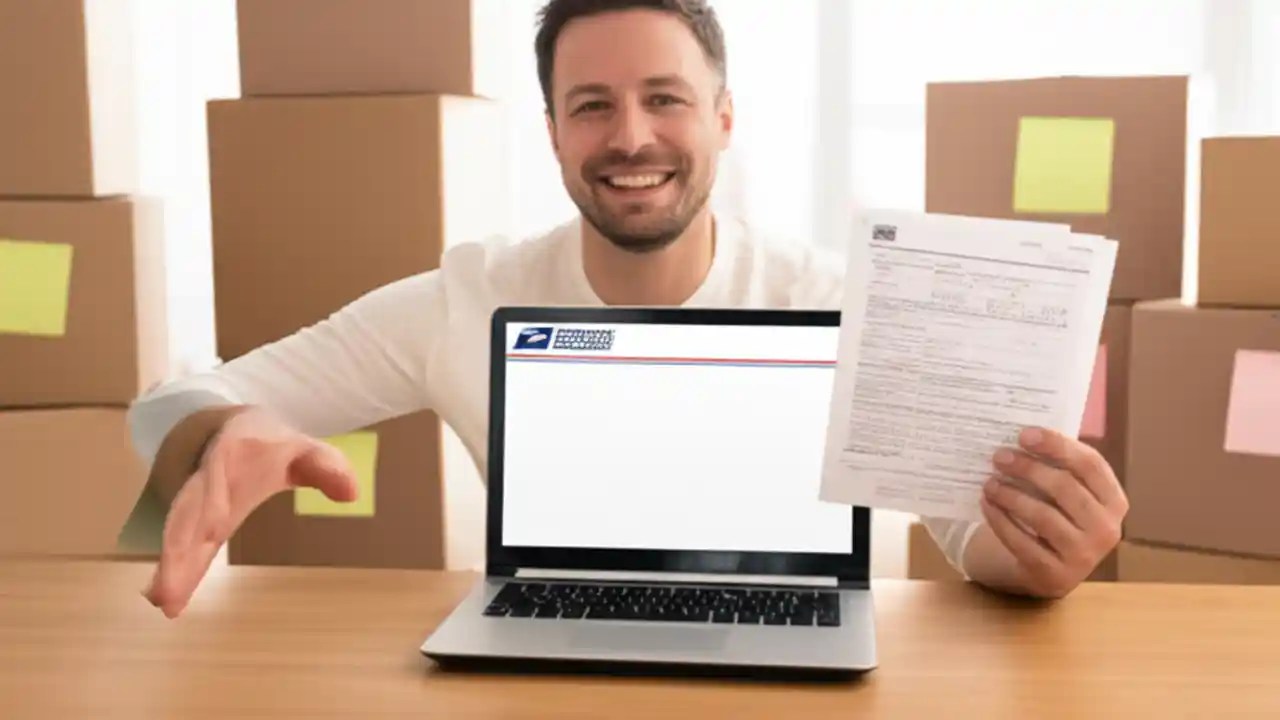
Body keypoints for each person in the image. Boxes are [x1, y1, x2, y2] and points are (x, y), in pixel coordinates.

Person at [130, 0, 1128, 619]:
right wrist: (222, 427)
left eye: (665, 98)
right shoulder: (470, 294)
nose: (630, 137)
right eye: (592, 105)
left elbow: (969, 539)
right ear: (557, 135)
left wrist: (1036, 554)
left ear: (722, 119)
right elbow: (165, 400)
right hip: (551, 666)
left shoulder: (833, 302)